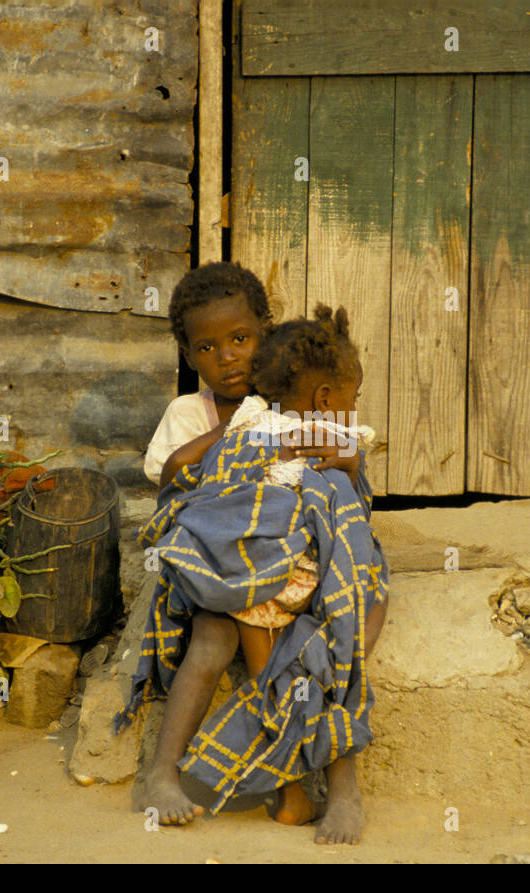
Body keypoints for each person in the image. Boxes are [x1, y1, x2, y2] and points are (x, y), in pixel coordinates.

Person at [121, 305, 389, 845]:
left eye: (241, 340)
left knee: (297, 641)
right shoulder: (259, 426)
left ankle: (174, 775)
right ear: (326, 399)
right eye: (351, 399)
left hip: (257, 578)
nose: (227, 355)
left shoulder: (271, 426)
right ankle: (336, 793)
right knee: (335, 646)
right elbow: (189, 472)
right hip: (254, 574)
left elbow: (345, 486)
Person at [142, 262, 272, 488]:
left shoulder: (286, 402)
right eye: (206, 348)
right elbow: (171, 487)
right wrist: (231, 428)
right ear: (189, 357)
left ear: (266, 332)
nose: (226, 358)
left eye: (239, 339)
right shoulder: (186, 414)